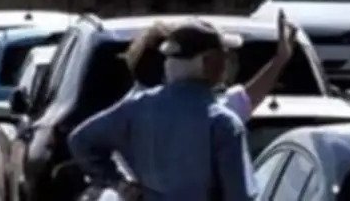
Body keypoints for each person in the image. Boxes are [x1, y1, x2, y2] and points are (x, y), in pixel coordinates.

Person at [70, 18, 257, 201]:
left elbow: (81, 140)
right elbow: (239, 195)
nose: (226, 62)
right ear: (207, 61)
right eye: (223, 55)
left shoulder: (137, 108)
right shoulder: (223, 123)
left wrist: (120, 184)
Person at [122, 11, 297, 125]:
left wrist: (279, 60)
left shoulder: (132, 108)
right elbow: (242, 102)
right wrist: (279, 61)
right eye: (220, 56)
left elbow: (243, 101)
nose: (225, 63)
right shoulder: (200, 113)